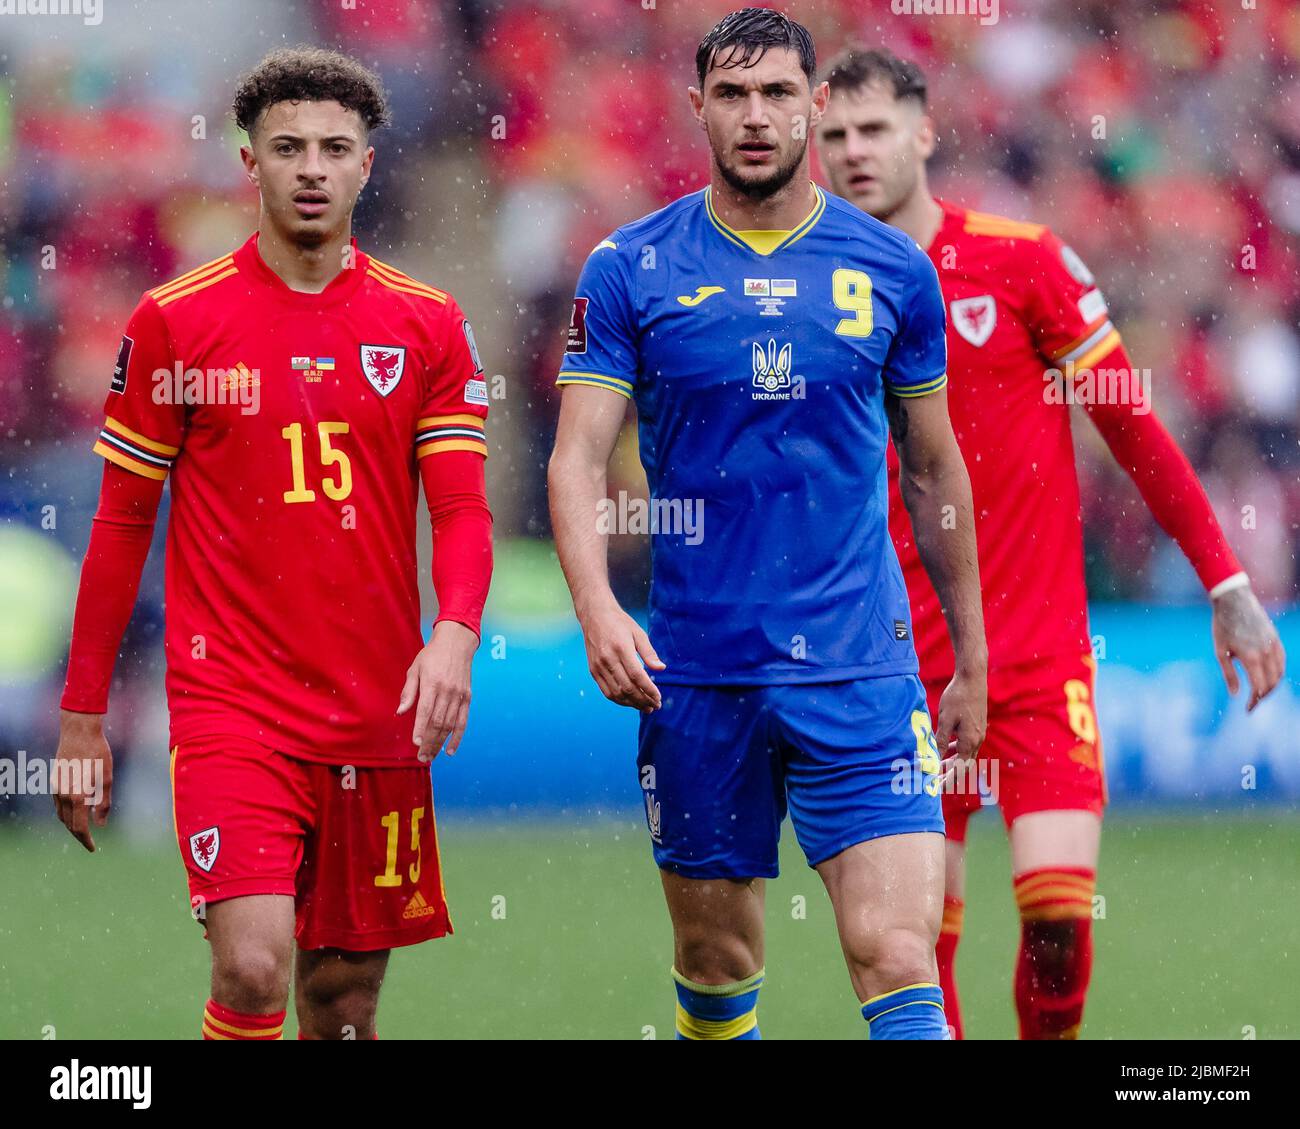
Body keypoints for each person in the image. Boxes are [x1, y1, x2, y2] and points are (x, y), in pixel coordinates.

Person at [814, 46, 1286, 1039]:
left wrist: (1225, 579)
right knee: (913, 947)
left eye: (875, 129)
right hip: (899, 666)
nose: (855, 152)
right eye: (837, 135)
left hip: (1034, 658)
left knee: (1058, 920)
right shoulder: (817, 293)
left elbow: (1131, 427)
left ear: (924, 134)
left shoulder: (1020, 262)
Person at [548, 9, 987, 1041]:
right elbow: (573, 455)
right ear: (697, 106)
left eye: (778, 94)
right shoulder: (629, 267)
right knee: (716, 961)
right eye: (734, 96)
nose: (756, 117)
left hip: (860, 670)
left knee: (894, 951)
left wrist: (968, 648)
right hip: (699, 671)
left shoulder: (890, 269)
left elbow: (932, 469)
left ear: (814, 104)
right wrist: (595, 607)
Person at [54, 46, 493, 1041]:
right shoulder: (175, 322)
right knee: (254, 964)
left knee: (341, 1007)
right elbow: (122, 524)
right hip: (231, 704)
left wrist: (457, 633)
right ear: (248, 162)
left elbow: (463, 511)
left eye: (334, 148)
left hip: (376, 705)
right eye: (287, 146)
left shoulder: (426, 325)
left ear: (367, 166)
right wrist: (83, 719)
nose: (310, 167)